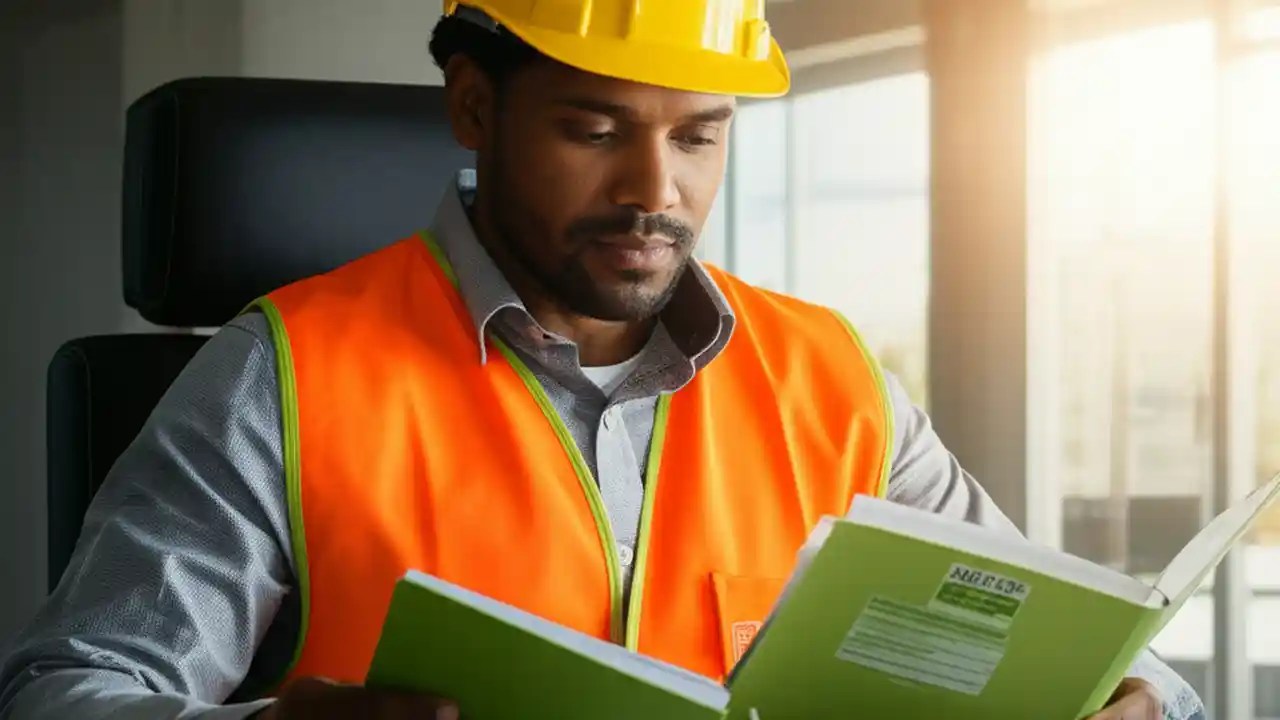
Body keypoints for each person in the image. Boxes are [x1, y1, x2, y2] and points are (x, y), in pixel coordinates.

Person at [0, 1, 1205, 719]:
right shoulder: (286, 371)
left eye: (697, 137)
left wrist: (1136, 697)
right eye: (593, 129)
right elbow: (69, 690)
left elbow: (1084, 647)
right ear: (475, 108)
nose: (653, 192)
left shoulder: (832, 376)